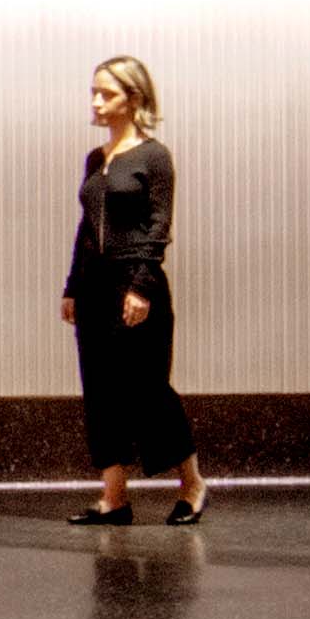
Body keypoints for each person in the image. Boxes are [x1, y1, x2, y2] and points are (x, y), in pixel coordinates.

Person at [64, 53, 207, 531]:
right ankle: (114, 498)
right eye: (94, 91)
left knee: (148, 391)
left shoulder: (153, 156)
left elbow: (159, 225)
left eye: (107, 93)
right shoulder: (95, 159)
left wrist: (141, 285)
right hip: (93, 288)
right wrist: (71, 287)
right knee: (100, 390)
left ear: (134, 98)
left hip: (135, 282)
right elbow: (87, 228)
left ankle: (191, 484)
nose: (97, 101)